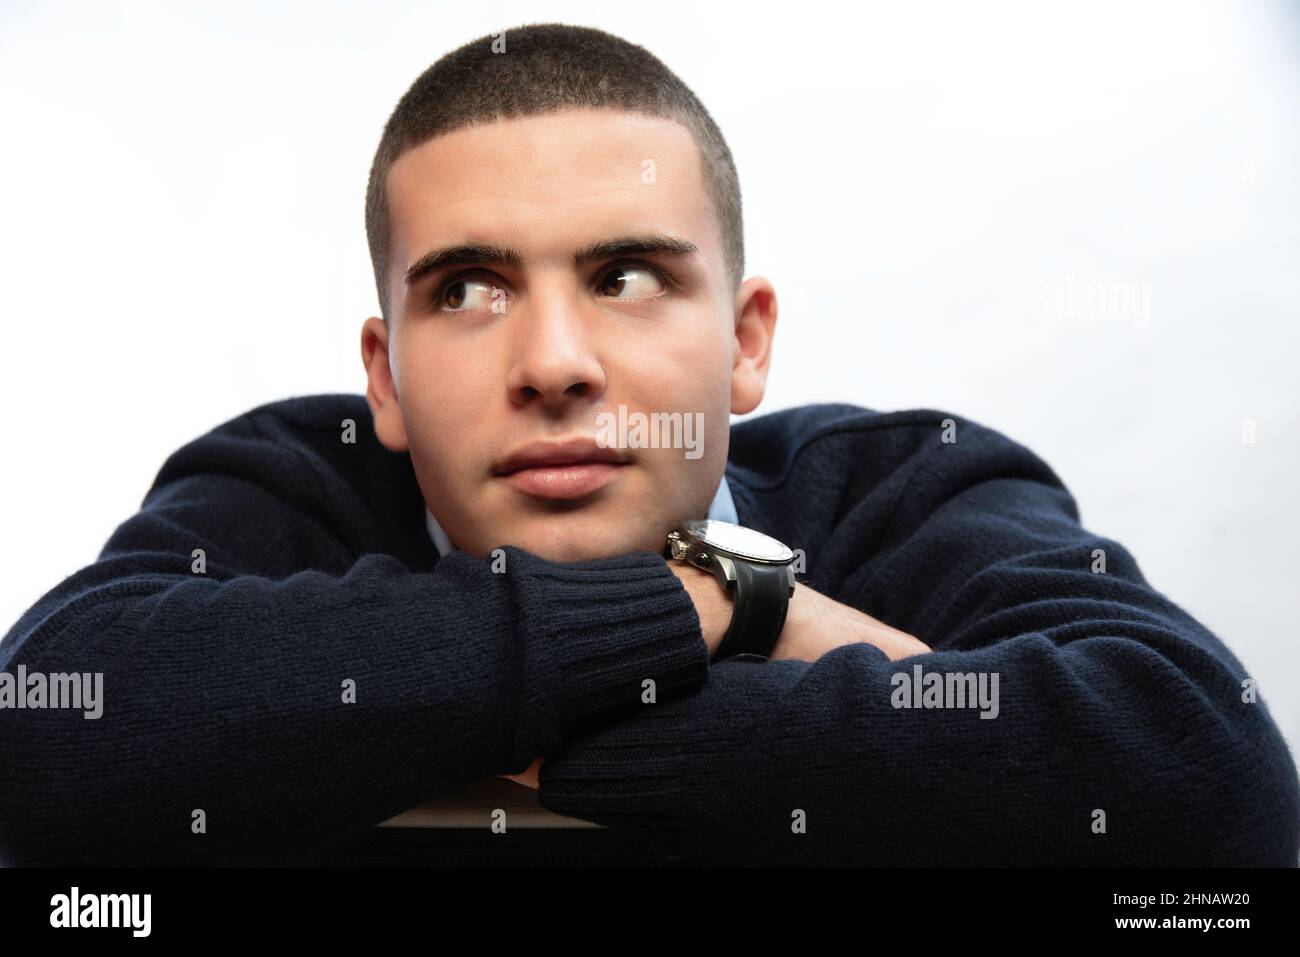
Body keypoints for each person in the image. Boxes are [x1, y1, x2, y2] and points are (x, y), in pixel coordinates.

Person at [1, 23, 1295, 867]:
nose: (555, 362)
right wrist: (735, 618)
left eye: (624, 277)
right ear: (384, 379)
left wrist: (471, 718)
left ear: (744, 344)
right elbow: (41, 735)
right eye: (467, 288)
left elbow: (1215, 792)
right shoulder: (300, 479)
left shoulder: (916, 482)